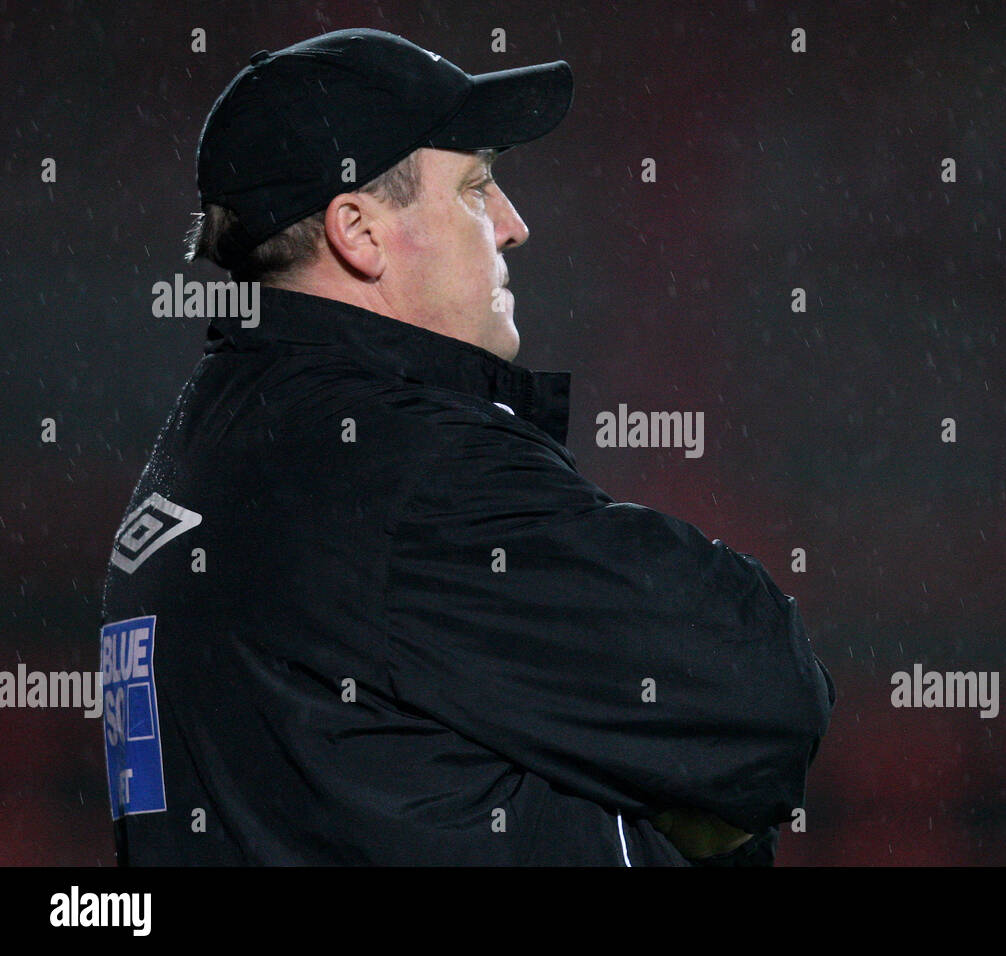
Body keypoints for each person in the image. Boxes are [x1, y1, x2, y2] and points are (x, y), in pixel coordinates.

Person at [99, 27, 834, 866]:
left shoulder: (208, 445)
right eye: (478, 187)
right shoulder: (398, 467)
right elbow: (763, 692)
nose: (516, 225)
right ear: (359, 231)